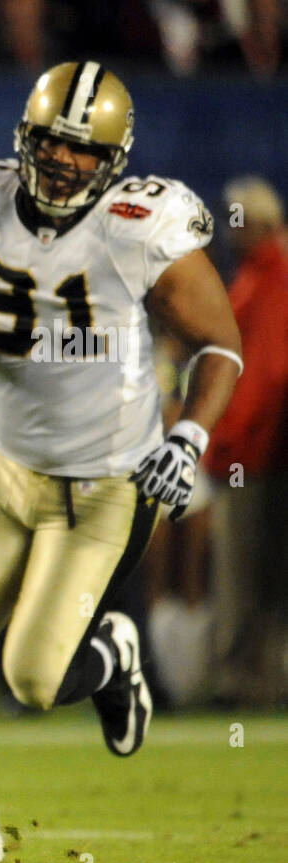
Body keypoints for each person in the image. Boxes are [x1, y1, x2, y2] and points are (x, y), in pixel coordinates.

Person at [0, 61, 242, 863]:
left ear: (115, 161)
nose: (66, 161)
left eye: (85, 151)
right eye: (54, 143)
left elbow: (220, 344)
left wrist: (191, 436)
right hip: (6, 458)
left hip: (108, 478)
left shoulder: (140, 223)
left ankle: (113, 654)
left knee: (32, 675)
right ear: (26, 139)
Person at [204, 176, 288, 705]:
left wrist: (226, 437)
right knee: (260, 570)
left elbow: (265, 373)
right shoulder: (260, 275)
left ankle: (243, 682)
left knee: (243, 569)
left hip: (254, 452)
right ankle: (258, 678)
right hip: (262, 448)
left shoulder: (271, 277)